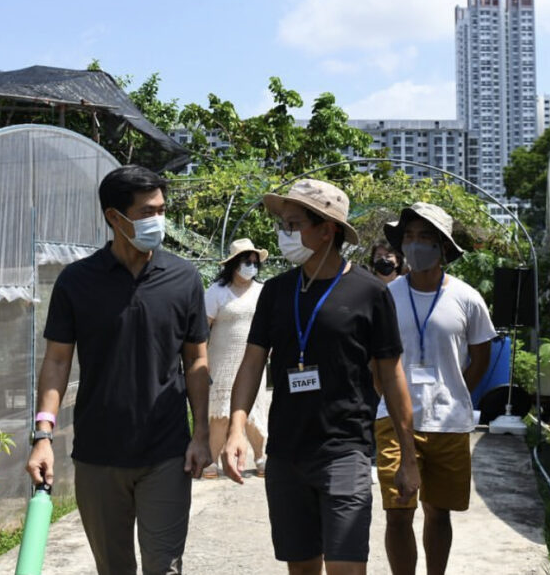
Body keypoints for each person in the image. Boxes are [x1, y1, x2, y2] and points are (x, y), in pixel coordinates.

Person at [222, 178, 421, 575]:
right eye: (283, 224)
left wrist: (408, 457)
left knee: (346, 567)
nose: (284, 233)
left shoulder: (369, 292)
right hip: (286, 453)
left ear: (327, 230)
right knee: (302, 568)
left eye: (293, 224)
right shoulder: (276, 292)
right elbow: (252, 363)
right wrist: (235, 430)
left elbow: (392, 375)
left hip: (345, 449)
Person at [25, 165, 212, 575]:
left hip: (166, 452)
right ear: (114, 217)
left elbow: (197, 360)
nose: (158, 220)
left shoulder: (183, 278)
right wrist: (43, 436)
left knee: (164, 567)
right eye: (147, 212)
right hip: (99, 455)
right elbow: (57, 361)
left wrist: (201, 433)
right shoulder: (77, 281)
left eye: (162, 210)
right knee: (113, 568)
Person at [374, 203, 497, 575]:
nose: (414, 244)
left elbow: (481, 356)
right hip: (394, 420)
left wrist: (455, 393)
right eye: (409, 237)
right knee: (397, 512)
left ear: (442, 246)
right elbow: (373, 358)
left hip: (448, 421)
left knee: (438, 512)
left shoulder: (467, 298)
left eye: (424, 237)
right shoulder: (386, 296)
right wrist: (386, 397)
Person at [203, 238, 270, 479]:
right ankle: (212, 459)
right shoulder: (216, 292)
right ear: (233, 264)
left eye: (254, 262)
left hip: (254, 361)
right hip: (221, 362)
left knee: (254, 410)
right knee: (220, 412)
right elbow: (203, 329)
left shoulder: (263, 291)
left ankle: (261, 457)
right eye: (246, 261)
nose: (251, 266)